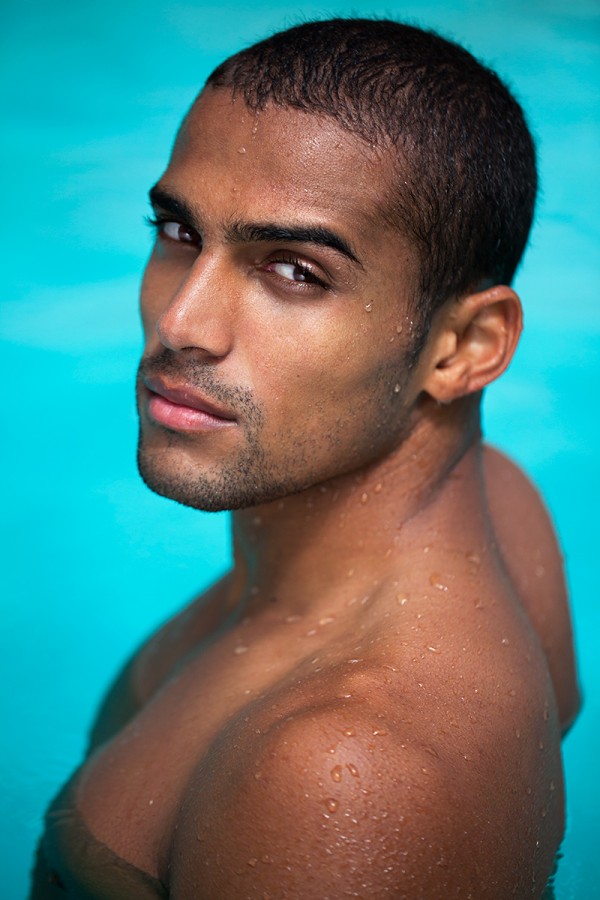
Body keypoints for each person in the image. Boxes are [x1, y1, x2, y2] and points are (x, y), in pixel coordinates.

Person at [31, 17, 580, 899]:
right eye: (178, 233)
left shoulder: (343, 780)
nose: (182, 325)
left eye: (294, 271)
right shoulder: (502, 510)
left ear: (464, 347)